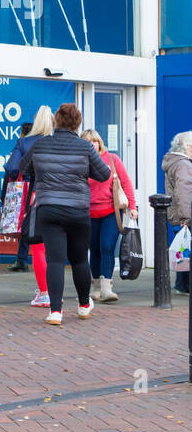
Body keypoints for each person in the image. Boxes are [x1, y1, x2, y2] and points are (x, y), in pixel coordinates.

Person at [20, 103, 111, 324]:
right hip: (78, 210)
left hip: (49, 208)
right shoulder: (85, 147)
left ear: (56, 121)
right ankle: (83, 305)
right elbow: (104, 174)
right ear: (77, 123)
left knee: (55, 261)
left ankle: (55, 311)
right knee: (80, 260)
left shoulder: (40, 145)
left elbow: (24, 169)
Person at [81, 129, 135, 302]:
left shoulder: (112, 159)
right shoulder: (80, 161)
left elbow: (126, 183)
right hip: (88, 213)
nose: (91, 144)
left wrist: (132, 207)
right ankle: (96, 288)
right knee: (94, 249)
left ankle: (106, 289)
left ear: (99, 142)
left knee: (106, 247)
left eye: (94, 141)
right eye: (87, 142)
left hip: (111, 212)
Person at [14, 106, 56, 307]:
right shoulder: (59, 142)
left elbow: (14, 168)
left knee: (39, 247)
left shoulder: (25, 142)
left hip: (36, 197)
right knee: (56, 248)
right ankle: (57, 293)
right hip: (61, 197)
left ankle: (45, 293)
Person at [163, 131, 192, 295]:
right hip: (186, 215)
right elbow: (184, 193)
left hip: (179, 214)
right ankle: (185, 286)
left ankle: (182, 285)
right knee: (186, 249)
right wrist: (186, 218)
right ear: (187, 147)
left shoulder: (175, 163)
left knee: (184, 248)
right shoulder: (184, 165)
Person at [2, 121, 34, 271]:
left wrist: (4, 196)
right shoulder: (42, 144)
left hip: (22, 190)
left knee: (24, 225)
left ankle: (21, 260)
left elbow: (12, 170)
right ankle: (24, 259)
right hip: (39, 190)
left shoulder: (21, 146)